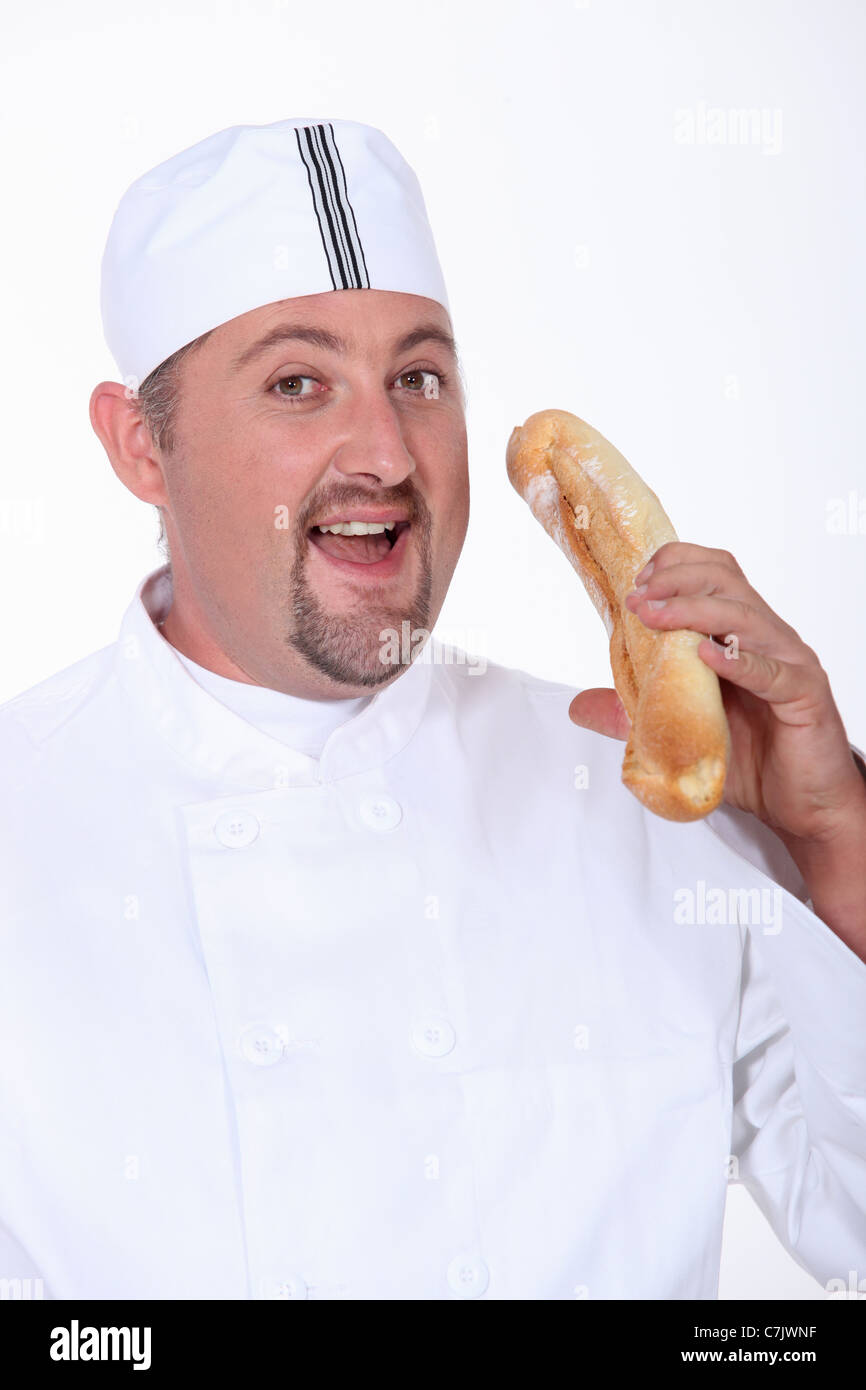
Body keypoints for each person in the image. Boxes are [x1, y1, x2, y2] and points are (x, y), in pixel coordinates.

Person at [1, 117, 864, 1302]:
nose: (385, 453)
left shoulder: (648, 793)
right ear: (140, 446)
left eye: (418, 378)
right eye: (297, 383)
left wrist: (833, 843)